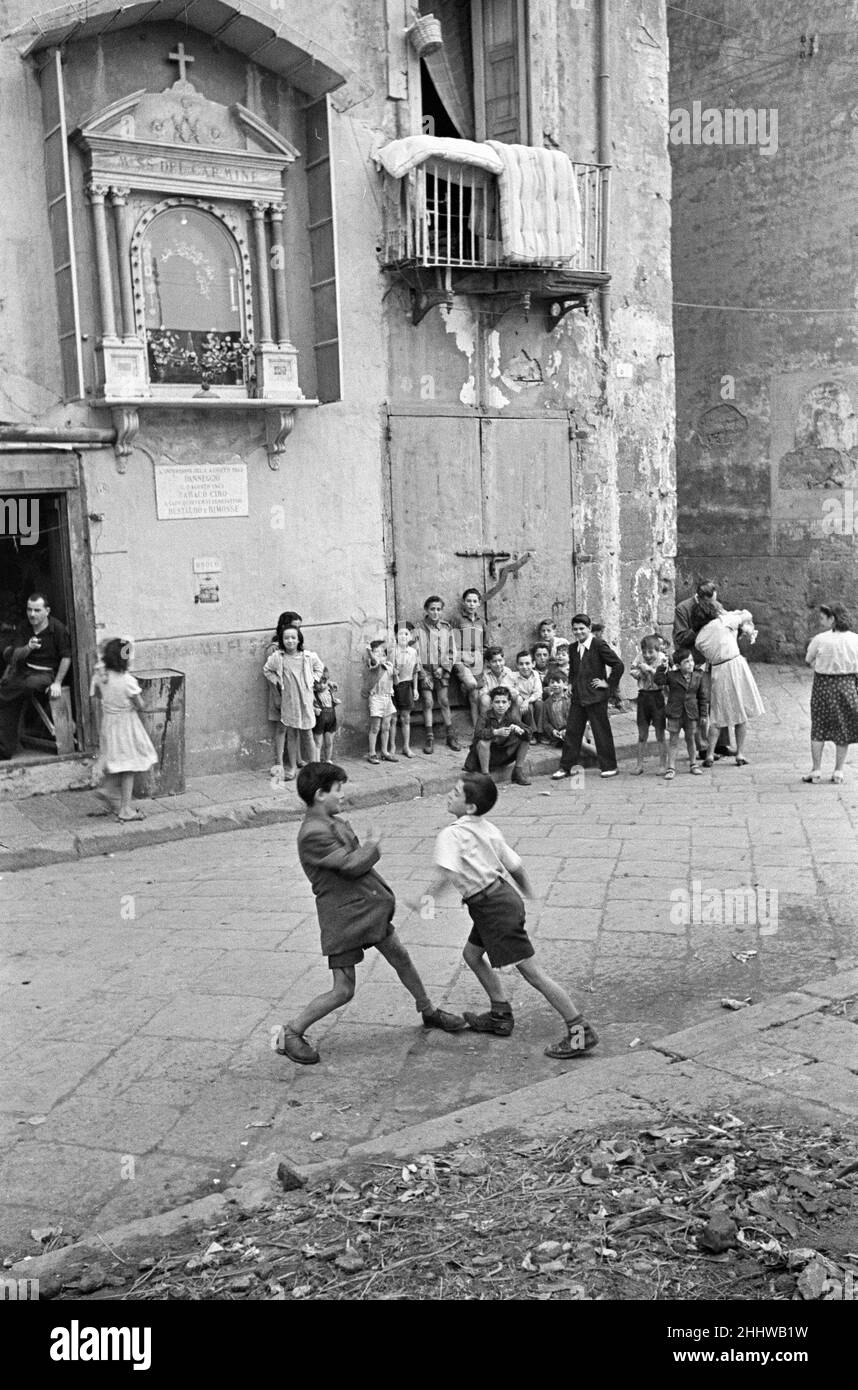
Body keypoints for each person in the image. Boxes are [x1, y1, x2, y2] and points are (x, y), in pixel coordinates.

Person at [275, 762, 466, 1065]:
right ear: (320, 794)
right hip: (344, 919)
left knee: (400, 956)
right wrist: (373, 845)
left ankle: (428, 1011)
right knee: (343, 990)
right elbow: (351, 865)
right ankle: (291, 1032)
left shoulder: (330, 821)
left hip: (366, 910)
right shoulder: (313, 832)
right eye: (338, 790)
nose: (343, 795)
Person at [423, 771, 599, 1060]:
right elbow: (515, 866)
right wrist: (527, 893)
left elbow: (446, 873)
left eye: (456, 792)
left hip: (492, 909)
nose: (449, 795)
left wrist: (424, 899)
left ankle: (580, 1030)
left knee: (533, 973)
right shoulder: (489, 829)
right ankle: (500, 1014)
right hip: (500, 900)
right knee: (471, 955)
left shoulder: (451, 834)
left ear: (469, 808)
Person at [89, 637, 158, 821]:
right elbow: (140, 704)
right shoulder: (128, 680)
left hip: (108, 723)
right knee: (129, 766)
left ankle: (107, 789)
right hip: (126, 726)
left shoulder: (101, 676)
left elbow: (96, 695)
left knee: (116, 759)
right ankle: (125, 809)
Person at [691, 599, 764, 766]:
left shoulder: (699, 639)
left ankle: (709, 754)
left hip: (718, 669)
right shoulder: (724, 622)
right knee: (741, 711)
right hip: (735, 665)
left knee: (717, 713)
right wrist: (737, 614)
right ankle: (740, 753)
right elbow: (747, 615)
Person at [0, 593, 72, 760]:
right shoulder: (24, 627)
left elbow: (66, 657)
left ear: (47, 611)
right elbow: (16, 655)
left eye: (37, 610)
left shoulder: (58, 629)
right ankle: (4, 750)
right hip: (23, 671)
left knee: (23, 686)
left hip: (45, 674)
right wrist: (28, 648)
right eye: (29, 610)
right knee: (10, 699)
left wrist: (57, 683)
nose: (32, 614)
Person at [552, 613, 624, 779]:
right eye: (575, 629)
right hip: (578, 696)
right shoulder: (572, 648)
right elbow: (575, 670)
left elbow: (618, 665)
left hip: (596, 696)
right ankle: (565, 767)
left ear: (589, 628)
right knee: (572, 732)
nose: (578, 632)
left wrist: (608, 683)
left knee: (601, 731)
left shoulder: (598, 644)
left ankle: (610, 766)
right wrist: (570, 683)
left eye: (581, 629)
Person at [803, 603, 858, 784]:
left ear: (832, 619)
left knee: (818, 726)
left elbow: (808, 659)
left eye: (822, 618)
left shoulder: (820, 639)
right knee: (843, 727)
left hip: (823, 687)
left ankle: (816, 769)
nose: (820, 621)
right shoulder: (855, 639)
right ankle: (838, 771)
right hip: (847, 685)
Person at [265, 611, 322, 768]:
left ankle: (297, 760)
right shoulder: (275, 651)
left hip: (300, 696)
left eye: (298, 629)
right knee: (284, 729)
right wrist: (278, 696)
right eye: (294, 626)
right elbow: (271, 673)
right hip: (283, 695)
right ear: (284, 627)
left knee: (297, 728)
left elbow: (314, 669)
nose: (297, 631)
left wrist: (312, 682)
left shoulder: (304, 653)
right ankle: (280, 763)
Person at [415, 596, 461, 755]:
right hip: (426, 670)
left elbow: (451, 651)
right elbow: (414, 653)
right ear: (426, 610)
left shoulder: (446, 628)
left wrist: (444, 668)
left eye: (438, 609)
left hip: (441, 670)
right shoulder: (418, 628)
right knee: (427, 702)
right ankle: (429, 737)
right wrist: (422, 673)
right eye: (432, 609)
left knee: (444, 700)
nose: (435, 612)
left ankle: (450, 735)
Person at [464, 685, 531, 786]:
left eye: (504, 702)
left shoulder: (510, 716)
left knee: (525, 738)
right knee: (483, 742)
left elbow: (529, 731)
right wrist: (495, 732)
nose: (500, 705)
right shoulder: (485, 716)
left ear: (509, 704)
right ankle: (486, 776)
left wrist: (520, 730)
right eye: (497, 702)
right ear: (491, 704)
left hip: (503, 754)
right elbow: (478, 733)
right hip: (485, 757)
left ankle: (517, 772)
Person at [661, 649, 707, 779]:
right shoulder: (671, 675)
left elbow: (702, 697)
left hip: (691, 713)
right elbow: (658, 680)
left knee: (691, 739)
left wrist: (703, 715)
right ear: (678, 665)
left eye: (691, 661)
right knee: (673, 740)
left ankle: (693, 764)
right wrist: (662, 666)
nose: (690, 664)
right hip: (675, 713)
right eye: (686, 662)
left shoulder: (698, 676)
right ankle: (671, 767)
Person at [630, 633, 667, 774]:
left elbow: (663, 677)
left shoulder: (663, 659)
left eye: (651, 652)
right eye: (645, 651)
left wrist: (650, 669)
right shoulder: (639, 657)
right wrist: (640, 672)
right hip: (644, 696)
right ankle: (639, 765)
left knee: (660, 733)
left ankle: (663, 765)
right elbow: (632, 670)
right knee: (642, 733)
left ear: (657, 650)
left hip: (658, 696)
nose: (647, 655)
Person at [452, 588, 489, 727]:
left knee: (475, 696)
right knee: (472, 685)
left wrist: (482, 661)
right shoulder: (457, 619)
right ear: (463, 602)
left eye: (474, 601)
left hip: (477, 661)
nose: (471, 604)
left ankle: (477, 730)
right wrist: (461, 659)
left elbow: (485, 644)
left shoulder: (482, 622)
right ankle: (464, 685)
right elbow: (453, 643)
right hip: (461, 659)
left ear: (479, 603)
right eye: (468, 601)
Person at [363, 637, 397, 763]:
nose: (380, 656)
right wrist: (369, 652)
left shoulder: (389, 666)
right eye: (377, 652)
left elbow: (395, 681)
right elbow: (373, 660)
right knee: (375, 727)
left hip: (387, 697)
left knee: (386, 726)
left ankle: (384, 751)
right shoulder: (373, 665)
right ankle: (372, 753)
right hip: (376, 698)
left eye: (383, 653)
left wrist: (395, 673)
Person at [392, 621, 421, 758]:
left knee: (405, 718)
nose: (403, 636)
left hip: (406, 686)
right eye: (400, 634)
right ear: (395, 636)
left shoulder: (413, 652)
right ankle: (391, 747)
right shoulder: (392, 652)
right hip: (392, 687)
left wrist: (415, 689)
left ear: (410, 636)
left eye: (406, 634)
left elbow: (415, 671)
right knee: (392, 718)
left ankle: (406, 746)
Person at [509, 649, 543, 737]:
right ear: (517, 665)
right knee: (529, 708)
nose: (524, 667)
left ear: (533, 664)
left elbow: (538, 692)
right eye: (521, 664)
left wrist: (527, 701)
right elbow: (506, 687)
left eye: (527, 663)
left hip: (531, 700)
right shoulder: (513, 676)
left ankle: (540, 732)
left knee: (540, 704)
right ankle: (530, 733)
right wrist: (519, 696)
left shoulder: (535, 674)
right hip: (520, 705)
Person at [478, 645, 518, 713]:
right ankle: (487, 722)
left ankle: (515, 721)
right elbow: (482, 693)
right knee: (485, 699)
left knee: (518, 699)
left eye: (500, 660)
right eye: (494, 661)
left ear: (504, 660)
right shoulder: (485, 674)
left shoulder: (508, 672)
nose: (498, 664)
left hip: (506, 701)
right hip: (493, 702)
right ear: (488, 663)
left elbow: (515, 690)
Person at [538, 665, 571, 747]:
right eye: (552, 682)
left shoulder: (570, 700)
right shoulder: (547, 703)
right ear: (549, 684)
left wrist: (568, 729)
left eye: (558, 682)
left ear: (565, 683)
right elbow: (546, 722)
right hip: (557, 734)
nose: (555, 685)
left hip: (571, 730)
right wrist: (553, 731)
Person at [312, 667, 339, 763]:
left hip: (331, 716)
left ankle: (328, 759)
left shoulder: (329, 690)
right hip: (321, 717)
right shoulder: (313, 693)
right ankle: (317, 762)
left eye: (326, 679)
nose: (325, 682)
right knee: (318, 742)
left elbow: (331, 700)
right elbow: (311, 703)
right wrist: (314, 709)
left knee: (329, 741)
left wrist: (335, 702)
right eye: (322, 679)